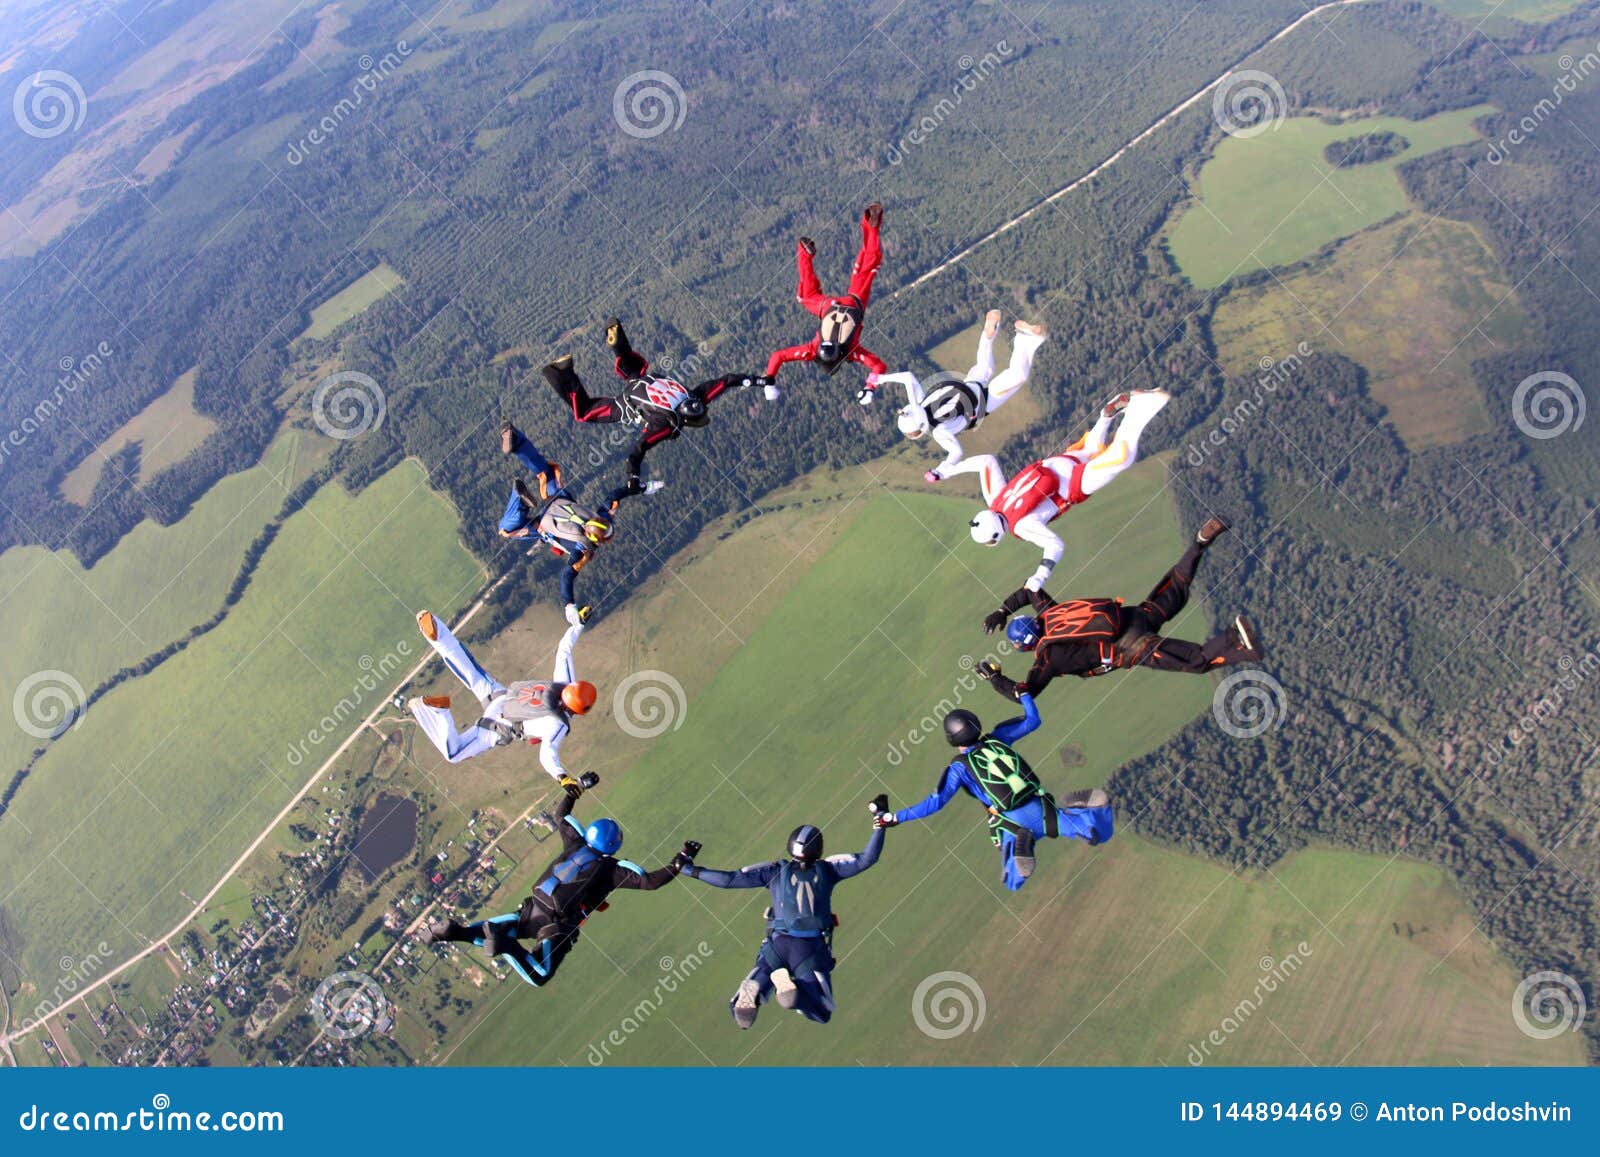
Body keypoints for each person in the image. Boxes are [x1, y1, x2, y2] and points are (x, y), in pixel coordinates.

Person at [422, 791, 699, 988]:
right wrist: (680, 860)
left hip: (531, 910)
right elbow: (650, 882)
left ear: (590, 832)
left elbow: (560, 814)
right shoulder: (610, 870)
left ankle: (455, 932)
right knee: (539, 974)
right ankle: (505, 944)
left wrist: (575, 788)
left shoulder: (575, 843)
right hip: (555, 926)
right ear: (614, 846)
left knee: (488, 931)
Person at [977, 517, 1263, 700]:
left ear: (1026, 646)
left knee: (1197, 661)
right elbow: (1030, 590)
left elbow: (1022, 693)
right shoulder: (1049, 614)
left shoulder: (1048, 659)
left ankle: (1232, 637)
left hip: (1135, 646)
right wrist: (1002, 611)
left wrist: (995, 678)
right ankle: (1198, 546)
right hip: (1136, 616)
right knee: (1175, 586)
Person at [678, 804, 887, 1027]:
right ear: (819, 849)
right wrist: (880, 821)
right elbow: (867, 859)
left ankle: (756, 989)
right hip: (809, 949)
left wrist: (690, 869)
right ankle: (792, 997)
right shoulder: (829, 869)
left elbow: (729, 880)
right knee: (821, 1011)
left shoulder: (774, 870)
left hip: (777, 943)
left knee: (740, 1004)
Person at [876, 699, 1112, 891]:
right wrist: (1023, 694)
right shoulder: (998, 738)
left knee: (1012, 878)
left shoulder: (960, 767)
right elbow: (1032, 720)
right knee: (1097, 834)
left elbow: (936, 802)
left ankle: (1021, 849)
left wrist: (894, 818)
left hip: (1012, 823)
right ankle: (1091, 811)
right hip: (1042, 808)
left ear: (951, 738)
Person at [956, 388, 1171, 591]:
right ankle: (1105, 419)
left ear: (995, 535)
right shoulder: (995, 498)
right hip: (1055, 463)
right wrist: (946, 470)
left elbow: (1055, 546)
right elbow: (986, 462)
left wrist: (1039, 577)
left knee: (1120, 459)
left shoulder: (1020, 526)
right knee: (1090, 451)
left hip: (1070, 485)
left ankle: (1137, 411)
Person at [541, 318, 765, 506]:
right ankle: (562, 372)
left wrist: (759, 380)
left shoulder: (696, 396)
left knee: (632, 369)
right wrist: (633, 478)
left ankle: (618, 342)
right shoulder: (666, 425)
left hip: (644, 379)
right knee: (585, 412)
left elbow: (726, 381)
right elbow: (639, 448)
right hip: (627, 403)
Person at [403, 609, 598, 796]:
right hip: (499, 727)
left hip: (502, 696)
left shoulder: (564, 684)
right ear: (581, 711)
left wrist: (578, 625)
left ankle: (437, 631)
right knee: (454, 755)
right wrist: (562, 777)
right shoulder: (559, 724)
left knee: (470, 669)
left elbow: (564, 650)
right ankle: (441, 712)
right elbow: (546, 755)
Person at [877, 311, 1048, 481]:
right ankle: (988, 335)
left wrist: (940, 470)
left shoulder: (939, 431)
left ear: (920, 427)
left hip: (983, 403)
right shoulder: (921, 401)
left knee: (1018, 375)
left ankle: (1025, 339)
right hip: (968, 384)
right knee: (985, 367)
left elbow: (956, 452)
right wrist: (880, 379)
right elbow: (908, 377)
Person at [764, 203, 888, 401]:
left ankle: (872, 228)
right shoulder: (812, 350)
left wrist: (870, 387)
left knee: (869, 264)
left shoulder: (852, 352)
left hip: (853, 303)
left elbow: (879, 366)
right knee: (806, 296)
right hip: (828, 306)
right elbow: (778, 356)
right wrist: (768, 380)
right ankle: (804, 254)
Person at [496, 421, 613, 621]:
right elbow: (567, 576)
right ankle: (518, 497)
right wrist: (569, 605)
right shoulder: (582, 550)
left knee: (546, 472)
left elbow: (613, 498)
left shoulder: (601, 518)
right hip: (545, 528)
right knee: (505, 529)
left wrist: (637, 485)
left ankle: (517, 442)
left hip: (559, 500)